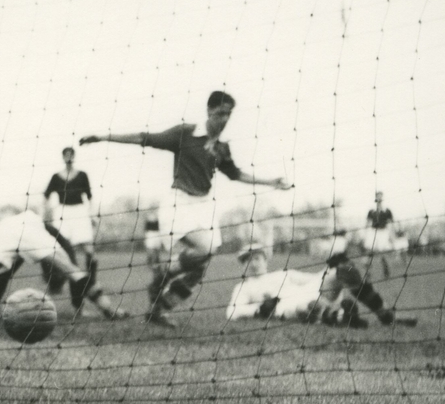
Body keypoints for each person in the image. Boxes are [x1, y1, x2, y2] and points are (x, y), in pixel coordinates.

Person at [79, 90, 292, 327]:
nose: (224, 119)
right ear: (209, 111)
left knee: (200, 267)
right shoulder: (185, 134)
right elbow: (144, 137)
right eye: (221, 113)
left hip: (203, 206)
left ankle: (158, 309)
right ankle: (164, 273)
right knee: (206, 247)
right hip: (179, 203)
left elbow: (236, 174)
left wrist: (271, 182)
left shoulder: (221, 149)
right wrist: (101, 137)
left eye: (228, 115)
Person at [0, 207, 128, 325]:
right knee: (74, 272)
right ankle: (110, 310)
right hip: (28, 233)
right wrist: (87, 305)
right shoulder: (48, 234)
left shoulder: (22, 223)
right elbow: (75, 270)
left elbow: (4, 273)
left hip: (1, 230)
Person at [226, 242, 413, 327]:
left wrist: (331, 268)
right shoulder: (243, 287)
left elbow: (313, 279)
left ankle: (385, 316)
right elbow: (232, 313)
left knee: (344, 271)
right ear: (243, 265)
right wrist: (259, 309)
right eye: (248, 260)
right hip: (286, 306)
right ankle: (342, 316)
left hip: (309, 292)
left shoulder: (284, 274)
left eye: (257, 258)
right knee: (306, 307)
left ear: (265, 259)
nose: (253, 263)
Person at [42, 147, 99, 309]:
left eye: (71, 155)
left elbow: (90, 197)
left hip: (79, 212)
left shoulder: (82, 175)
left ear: (74, 156)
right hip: (62, 213)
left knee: (89, 251)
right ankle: (56, 284)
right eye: (66, 155)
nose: (69, 157)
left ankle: (92, 281)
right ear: (62, 157)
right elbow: (45, 196)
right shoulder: (56, 177)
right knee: (61, 250)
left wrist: (92, 215)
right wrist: (45, 213)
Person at [362, 190, 396, 278]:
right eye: (377, 196)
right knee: (369, 252)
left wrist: (392, 236)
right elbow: (368, 223)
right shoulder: (372, 211)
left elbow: (390, 224)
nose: (379, 198)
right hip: (373, 232)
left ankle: (386, 271)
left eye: (380, 196)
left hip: (383, 232)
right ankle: (368, 272)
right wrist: (365, 235)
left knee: (382, 252)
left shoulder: (387, 211)